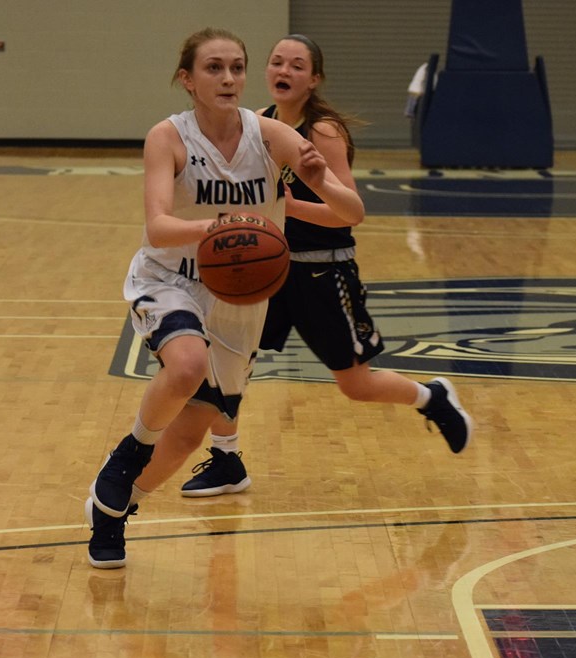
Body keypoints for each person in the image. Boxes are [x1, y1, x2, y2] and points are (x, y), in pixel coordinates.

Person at [84, 27, 365, 569]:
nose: (230, 78)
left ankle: (114, 509)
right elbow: (160, 227)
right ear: (187, 80)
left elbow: (352, 214)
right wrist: (225, 224)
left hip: (239, 295)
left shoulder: (273, 136)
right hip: (170, 278)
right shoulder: (166, 137)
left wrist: (320, 182)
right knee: (186, 365)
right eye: (214, 68)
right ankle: (127, 456)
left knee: (191, 435)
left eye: (237, 67)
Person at [179, 34, 472, 498]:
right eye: (277, 62)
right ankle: (227, 459)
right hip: (266, 269)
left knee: (355, 383)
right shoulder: (259, 124)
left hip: (322, 269)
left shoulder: (324, 132)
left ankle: (431, 397)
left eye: (297, 65)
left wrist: (289, 207)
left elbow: (347, 211)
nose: (285, 70)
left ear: (314, 79)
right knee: (225, 361)